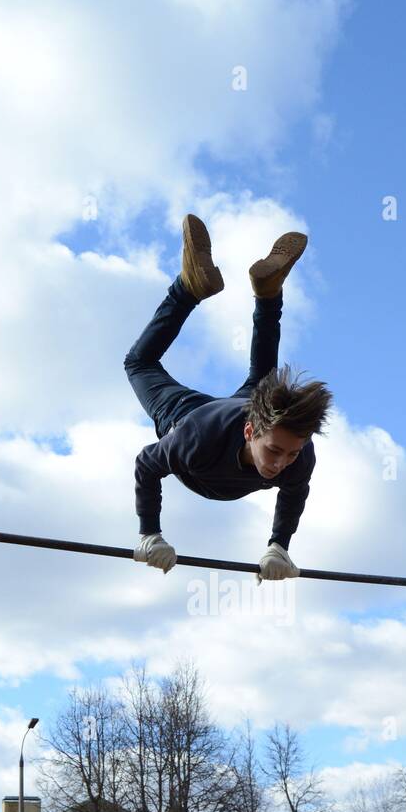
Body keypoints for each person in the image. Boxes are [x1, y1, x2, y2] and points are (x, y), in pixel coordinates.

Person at [124, 214, 332, 580]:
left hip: (245, 408)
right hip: (189, 415)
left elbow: (292, 495)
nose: (281, 463)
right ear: (251, 433)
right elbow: (146, 465)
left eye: (291, 453)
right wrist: (149, 534)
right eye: (274, 451)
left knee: (264, 383)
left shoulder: (298, 453)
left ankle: (268, 292)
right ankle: (188, 287)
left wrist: (278, 546)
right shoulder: (196, 439)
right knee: (139, 363)